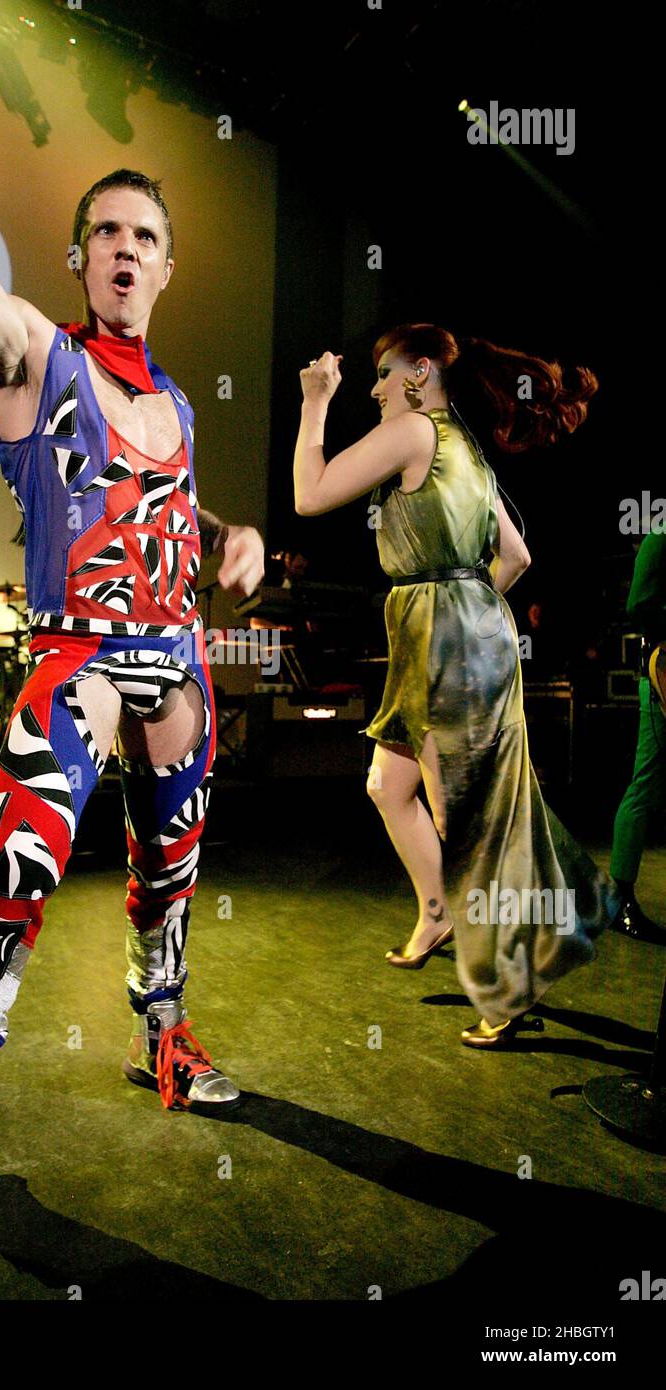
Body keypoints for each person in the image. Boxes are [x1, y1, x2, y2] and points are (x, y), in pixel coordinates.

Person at [0, 0, 265, 1245]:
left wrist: (227, 533)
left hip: (177, 664)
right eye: (106, 236)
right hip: (73, 661)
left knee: (168, 881)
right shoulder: (34, 353)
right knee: (15, 875)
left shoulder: (178, 404)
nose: (126, 252)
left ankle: (164, 1038)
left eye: (146, 236)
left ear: (169, 265)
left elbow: (164, 516)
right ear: (80, 260)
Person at [293, 323, 619, 1048]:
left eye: (384, 373)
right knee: (388, 786)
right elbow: (517, 556)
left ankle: (506, 992)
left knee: (461, 819)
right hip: (455, 626)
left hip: (444, 635)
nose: (375, 388)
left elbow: (310, 495)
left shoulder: (415, 429)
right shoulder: (466, 447)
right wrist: (474, 606)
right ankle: (437, 911)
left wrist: (316, 402)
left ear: (419, 373)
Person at [608, 530, 666, 942]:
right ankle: (620, 899)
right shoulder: (661, 536)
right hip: (663, 671)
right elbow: (638, 606)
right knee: (646, 784)